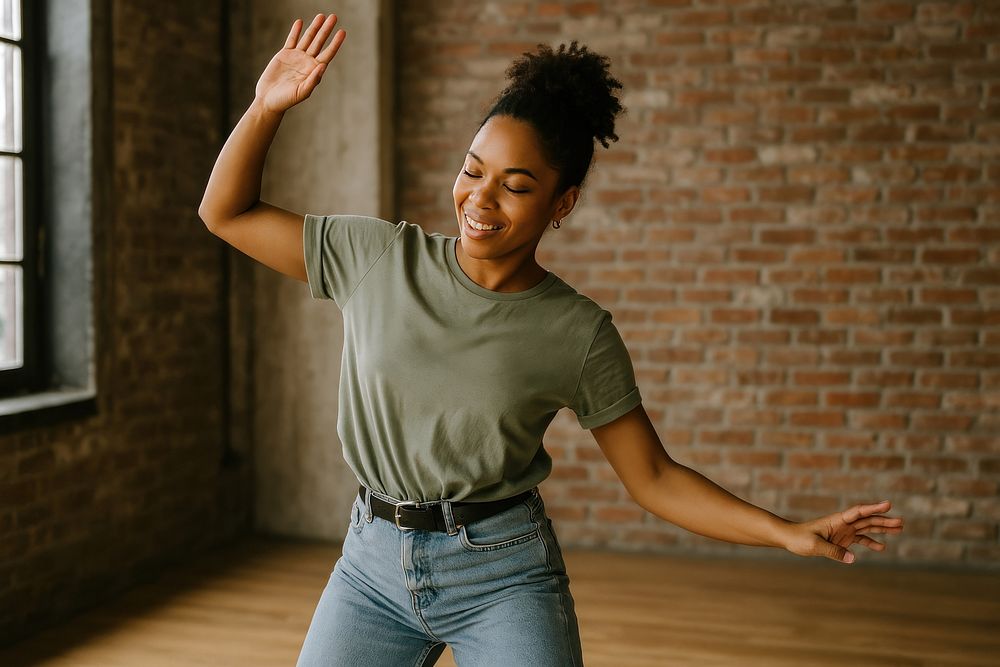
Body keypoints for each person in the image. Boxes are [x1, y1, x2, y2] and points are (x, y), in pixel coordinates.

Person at [198, 12, 905, 667]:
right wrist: (265, 108)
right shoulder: (377, 257)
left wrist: (785, 531)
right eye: (473, 170)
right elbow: (224, 212)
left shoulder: (578, 331)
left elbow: (654, 478)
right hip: (370, 562)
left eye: (515, 185)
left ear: (561, 203)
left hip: (503, 573)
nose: (480, 198)